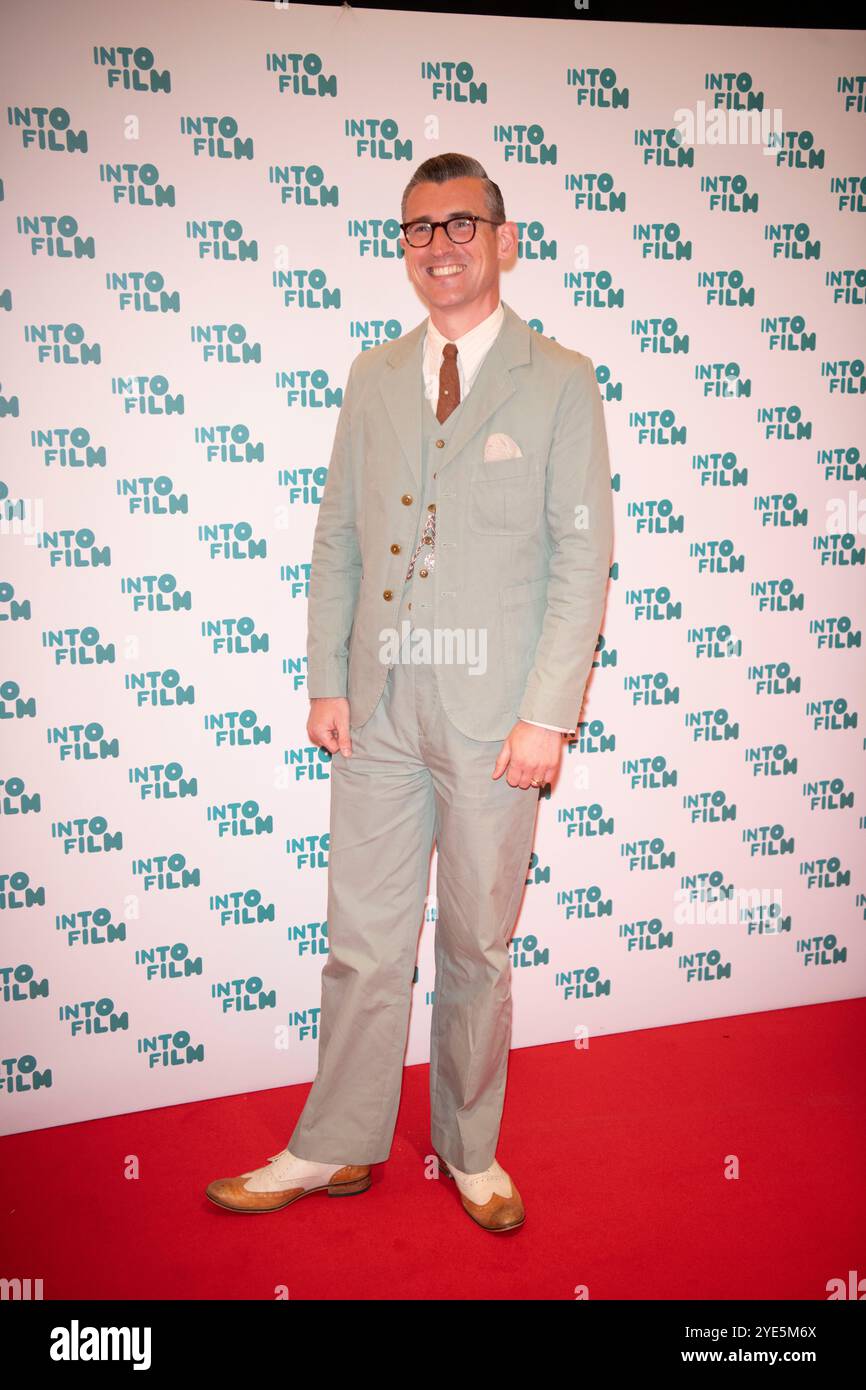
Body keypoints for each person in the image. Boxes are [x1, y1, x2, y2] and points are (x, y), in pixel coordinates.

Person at [206, 152, 614, 1233]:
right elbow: (336, 534)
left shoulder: (561, 377)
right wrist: (326, 677)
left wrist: (546, 714)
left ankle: (468, 1148)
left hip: (495, 724)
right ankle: (332, 1141)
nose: (440, 245)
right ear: (405, 247)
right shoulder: (373, 376)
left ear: (503, 238)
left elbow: (582, 556)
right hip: (378, 706)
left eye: (461, 225)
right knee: (362, 940)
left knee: (478, 943)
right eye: (419, 228)